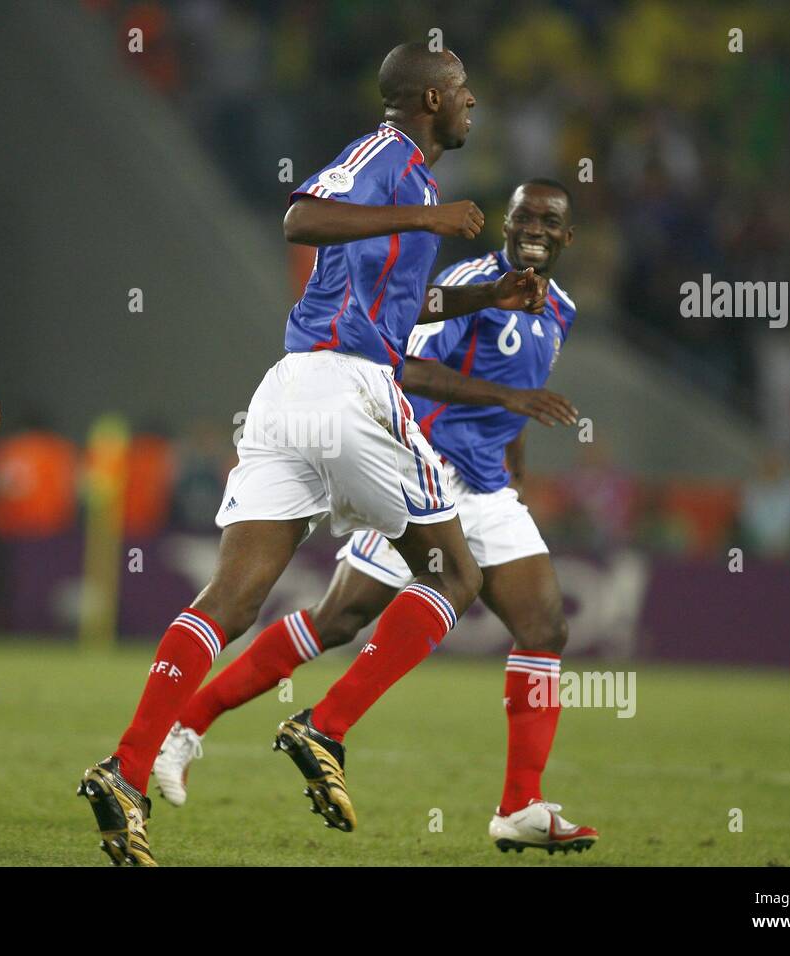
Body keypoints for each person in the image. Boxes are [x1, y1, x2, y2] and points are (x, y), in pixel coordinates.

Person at [78, 42, 565, 866]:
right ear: (431, 98)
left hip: (292, 396)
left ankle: (128, 766)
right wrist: (425, 219)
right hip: (346, 389)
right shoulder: (387, 157)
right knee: (453, 574)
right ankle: (323, 727)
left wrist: (486, 293)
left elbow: (405, 298)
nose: (474, 106)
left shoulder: (414, 178)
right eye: (464, 93)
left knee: (230, 602)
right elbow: (301, 216)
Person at [155, 180, 597, 855]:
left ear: (567, 237)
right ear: (505, 226)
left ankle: (520, 806)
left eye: (548, 220)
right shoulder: (470, 284)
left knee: (545, 626)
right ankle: (193, 723)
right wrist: (507, 397)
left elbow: (520, 401)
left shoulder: (558, 308)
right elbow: (405, 369)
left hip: (489, 489)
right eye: (523, 216)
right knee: (339, 619)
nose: (533, 227)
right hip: (423, 474)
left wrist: (516, 464)